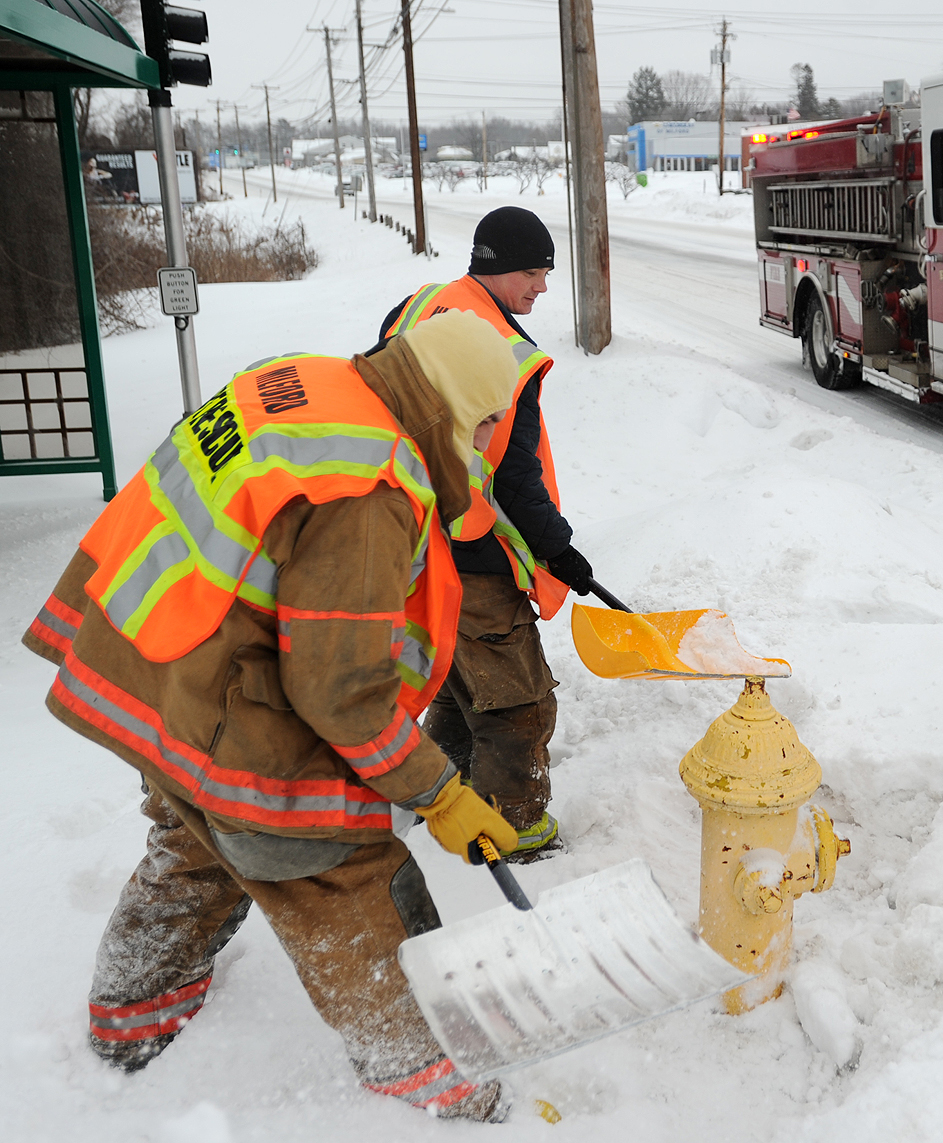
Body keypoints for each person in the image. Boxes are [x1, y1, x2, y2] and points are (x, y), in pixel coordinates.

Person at [23, 311, 529, 1118]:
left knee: (200, 837)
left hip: (158, 653)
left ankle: (131, 1014)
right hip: (225, 704)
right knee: (337, 872)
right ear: (457, 406)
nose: (493, 435)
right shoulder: (368, 487)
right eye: (490, 417)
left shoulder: (311, 380)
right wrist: (439, 790)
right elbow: (341, 693)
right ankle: (426, 1063)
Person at [369, 206, 590, 863]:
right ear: (493, 267)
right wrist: (558, 546)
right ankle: (510, 828)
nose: (542, 288)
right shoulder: (503, 351)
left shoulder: (416, 309)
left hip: (411, 539)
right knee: (519, 703)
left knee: (464, 687)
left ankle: (448, 791)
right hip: (472, 551)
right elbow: (514, 479)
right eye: (531, 272)